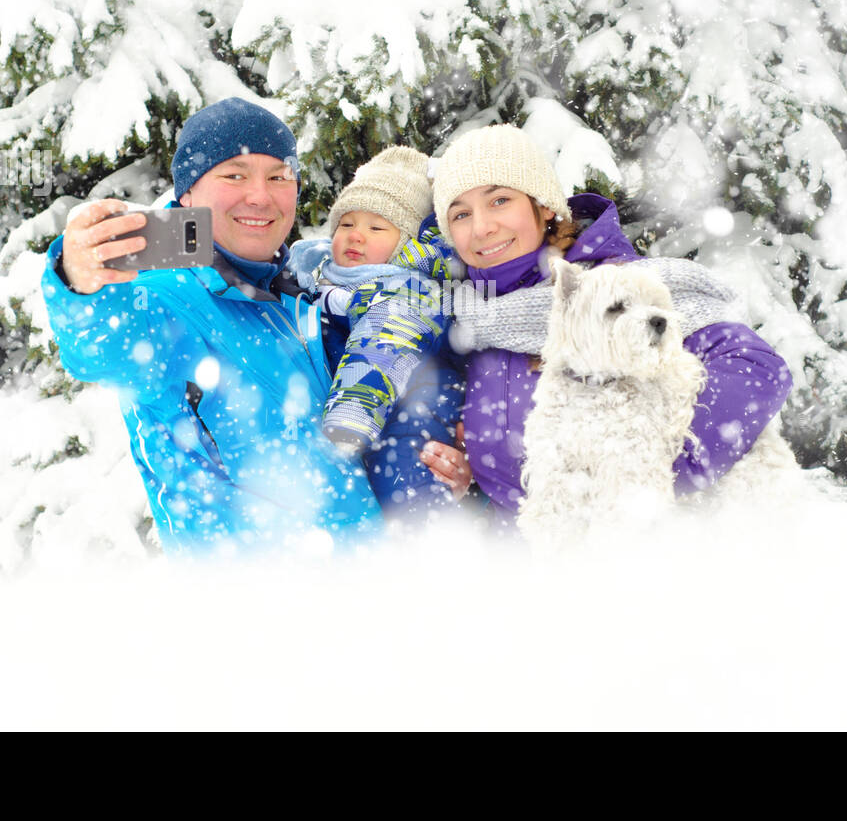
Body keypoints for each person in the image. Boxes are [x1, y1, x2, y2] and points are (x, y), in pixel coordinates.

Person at [40, 97, 381, 554]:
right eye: (234, 174)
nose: (260, 195)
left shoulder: (303, 300)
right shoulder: (165, 300)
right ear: (188, 197)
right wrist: (81, 279)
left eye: (279, 176)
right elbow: (105, 347)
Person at [419, 123, 793, 520]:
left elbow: (758, 369)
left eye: (499, 201)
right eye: (460, 214)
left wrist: (654, 477)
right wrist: (470, 478)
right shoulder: (469, 322)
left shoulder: (623, 291)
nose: (481, 227)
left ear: (544, 205)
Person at [288, 147, 464, 520]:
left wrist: (352, 416)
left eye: (376, 227)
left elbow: (383, 342)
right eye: (347, 224)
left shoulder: (407, 291)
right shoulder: (325, 288)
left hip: (405, 434)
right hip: (354, 450)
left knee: (403, 502)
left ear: (405, 245)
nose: (357, 236)